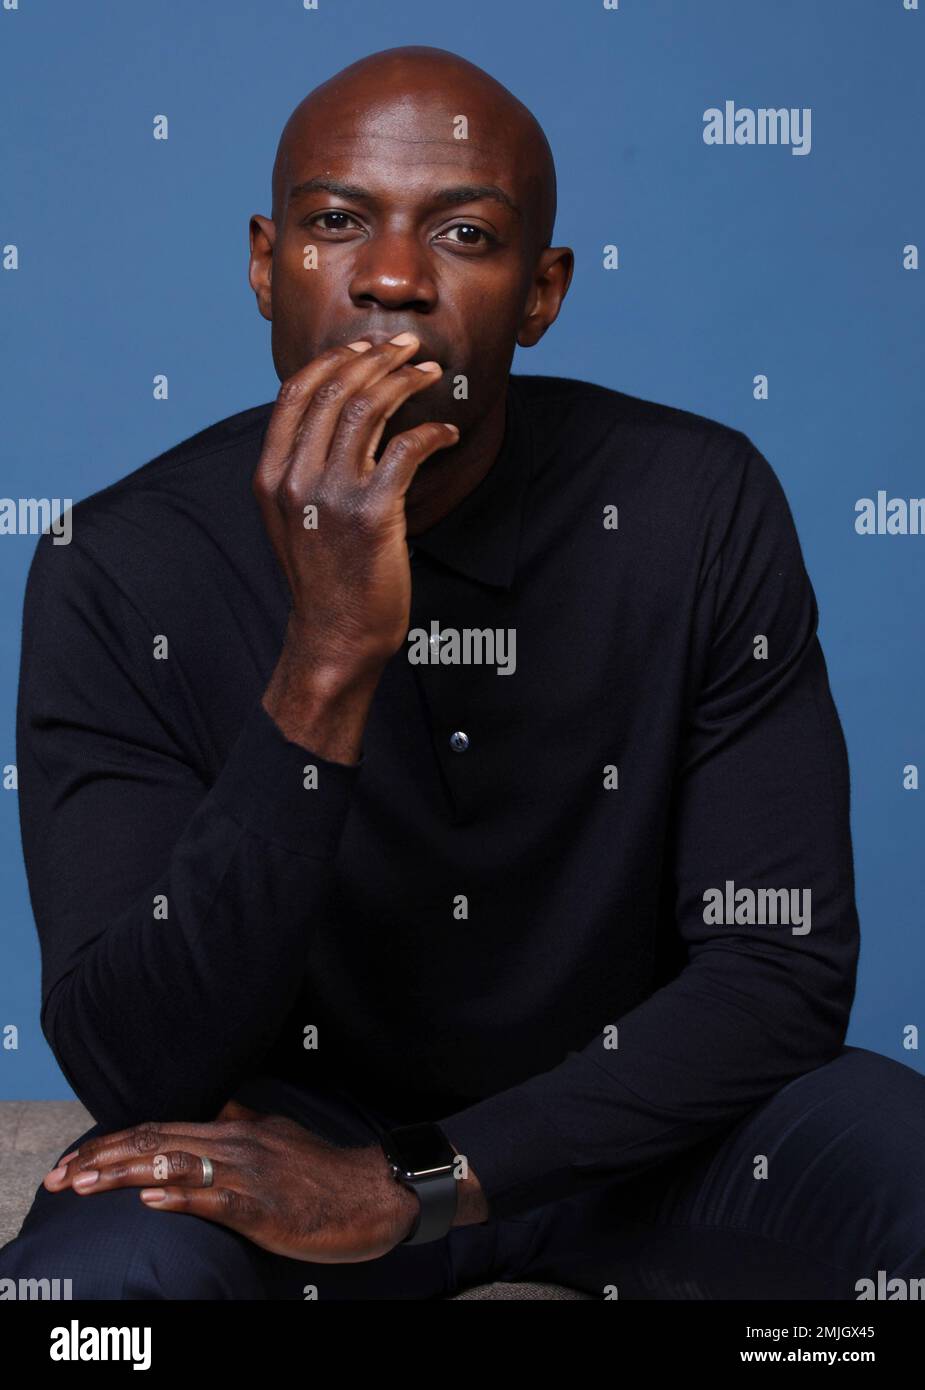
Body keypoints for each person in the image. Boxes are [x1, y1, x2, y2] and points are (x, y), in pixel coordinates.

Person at [1, 44, 923, 1302]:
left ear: (540, 292)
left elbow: (779, 972)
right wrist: (325, 661)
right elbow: (136, 1061)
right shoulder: (117, 567)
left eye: (465, 235)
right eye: (336, 224)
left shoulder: (695, 507)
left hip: (638, 1135)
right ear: (266, 266)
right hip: (284, 1151)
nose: (391, 278)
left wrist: (420, 1181)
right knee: (87, 1315)